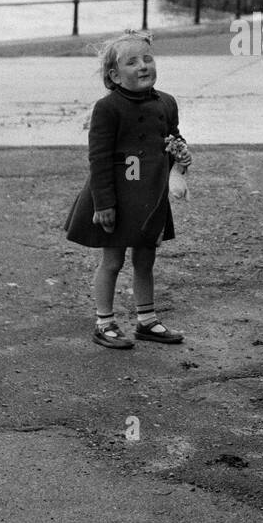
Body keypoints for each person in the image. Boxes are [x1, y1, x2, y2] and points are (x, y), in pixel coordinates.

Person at [65, 31, 191, 348]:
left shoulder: (166, 103)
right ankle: (104, 323)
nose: (143, 66)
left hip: (149, 196)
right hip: (117, 198)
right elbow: (99, 158)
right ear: (114, 74)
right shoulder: (107, 108)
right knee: (112, 261)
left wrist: (181, 159)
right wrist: (103, 204)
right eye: (132, 62)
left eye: (147, 58)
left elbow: (172, 139)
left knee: (145, 259)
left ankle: (146, 321)